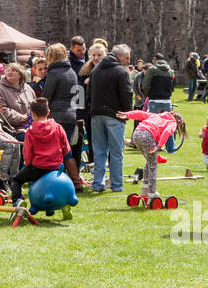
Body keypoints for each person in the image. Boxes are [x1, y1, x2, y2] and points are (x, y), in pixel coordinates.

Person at [9, 98, 79, 203]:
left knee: (15, 180)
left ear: (32, 114)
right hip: (56, 168)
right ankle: (65, 205)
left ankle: (17, 201)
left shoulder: (31, 131)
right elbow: (66, 149)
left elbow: (27, 153)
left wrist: (28, 162)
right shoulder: (58, 128)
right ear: (48, 112)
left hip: (38, 168)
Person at [41, 43, 88, 191]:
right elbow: (78, 96)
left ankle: (55, 183)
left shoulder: (54, 73)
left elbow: (46, 97)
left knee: (55, 152)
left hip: (56, 116)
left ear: (52, 57)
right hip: (71, 116)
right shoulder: (72, 72)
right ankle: (75, 182)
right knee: (66, 150)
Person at [88, 43, 132, 193]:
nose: (128, 61)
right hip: (115, 115)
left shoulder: (95, 70)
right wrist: (127, 112)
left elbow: (88, 94)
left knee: (99, 151)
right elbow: (127, 95)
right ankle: (116, 185)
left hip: (96, 114)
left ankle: (97, 184)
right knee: (116, 152)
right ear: (119, 56)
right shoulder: (121, 71)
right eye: (126, 58)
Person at [117, 106, 185, 202]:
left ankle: (145, 190)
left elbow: (140, 114)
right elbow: (167, 132)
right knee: (153, 165)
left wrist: (128, 114)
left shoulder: (156, 116)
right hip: (147, 135)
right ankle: (152, 193)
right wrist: (159, 146)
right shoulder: (172, 122)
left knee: (149, 162)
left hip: (136, 134)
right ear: (178, 120)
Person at [0, 63, 35, 135]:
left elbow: (35, 106)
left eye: (13, 70)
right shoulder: (0, 89)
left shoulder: (28, 88)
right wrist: (21, 118)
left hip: (32, 127)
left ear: (20, 74)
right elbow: (2, 111)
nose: (10, 72)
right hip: (13, 129)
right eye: (8, 70)